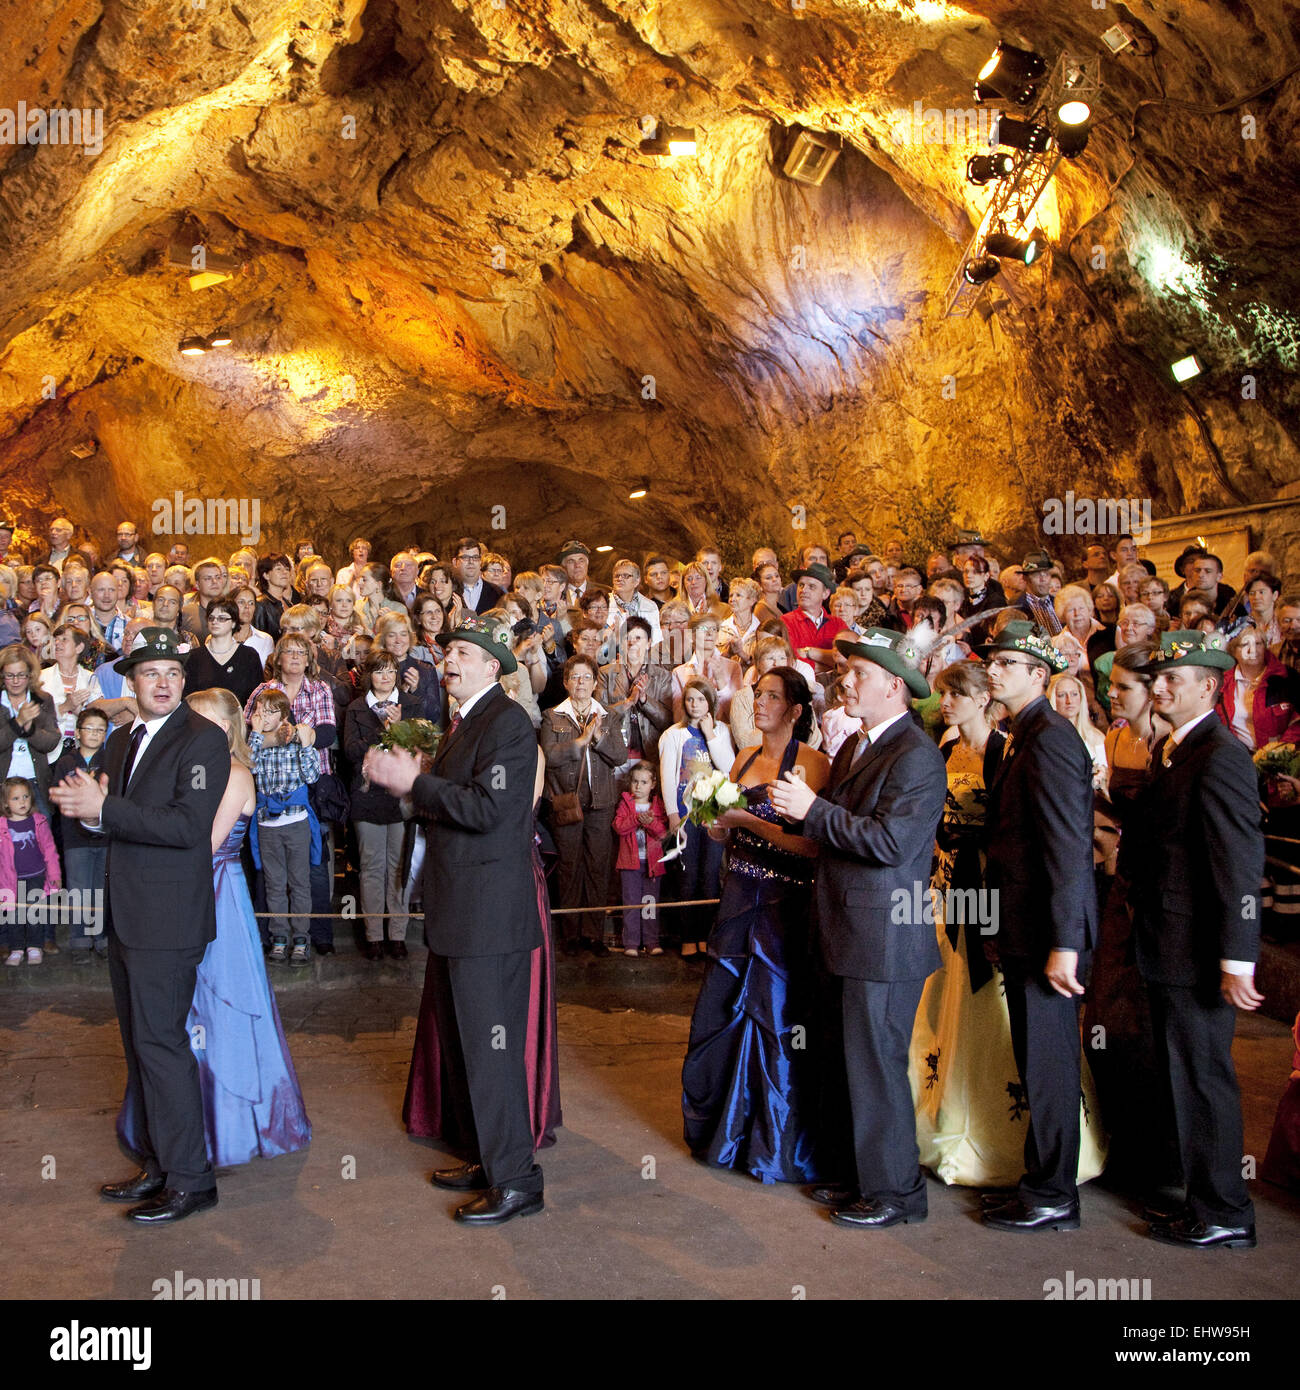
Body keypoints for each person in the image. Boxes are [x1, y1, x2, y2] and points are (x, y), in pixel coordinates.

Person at [366, 614, 548, 1224]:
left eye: (463, 653)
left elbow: (492, 809)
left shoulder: (509, 723)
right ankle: (486, 1157)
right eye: (447, 652)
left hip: (487, 918)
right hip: (460, 912)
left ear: (492, 666)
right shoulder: (466, 722)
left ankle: (517, 1180)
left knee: (491, 1050)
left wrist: (416, 783)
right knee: (470, 1046)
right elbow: (452, 803)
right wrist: (412, 788)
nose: (449, 660)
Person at [50, 626, 230, 1223]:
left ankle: (190, 1179)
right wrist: (96, 814)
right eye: (152, 673)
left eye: (174, 673)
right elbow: (119, 817)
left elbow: (186, 826)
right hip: (127, 913)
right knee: (139, 1045)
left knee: (162, 1044)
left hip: (169, 920)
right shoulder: (124, 738)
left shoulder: (202, 740)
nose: (164, 683)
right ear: (130, 681)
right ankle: (157, 1165)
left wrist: (107, 810)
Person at [769, 629, 947, 1228]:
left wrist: (813, 812)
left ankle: (897, 1194)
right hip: (845, 932)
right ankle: (860, 1177)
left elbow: (893, 842)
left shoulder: (917, 755)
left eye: (859, 673)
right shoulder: (857, 747)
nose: (846, 680)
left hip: (882, 940)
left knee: (875, 1065)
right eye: (846, 672)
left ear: (894, 686)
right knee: (847, 1063)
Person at [1120, 629, 1263, 1248]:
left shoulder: (1219, 753)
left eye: (1173, 679)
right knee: (1182, 1073)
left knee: (1205, 1078)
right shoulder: (1178, 749)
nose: (1160, 686)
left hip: (1197, 949)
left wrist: (1238, 959)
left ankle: (1225, 1211)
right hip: (1168, 942)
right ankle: (1202, 1200)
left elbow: (1236, 862)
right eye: (1159, 677)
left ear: (1210, 687)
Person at [148, 687, 311, 1166]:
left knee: (226, 1000)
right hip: (189, 887)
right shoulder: (193, 770)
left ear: (223, 727)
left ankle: (230, 1123)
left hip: (218, 892)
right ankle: (184, 1117)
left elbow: (202, 845)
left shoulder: (237, 774)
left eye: (196, 721)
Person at [683, 666, 832, 1181]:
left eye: (772, 697)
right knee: (723, 1003)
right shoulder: (744, 756)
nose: (759, 704)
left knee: (772, 1013)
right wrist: (719, 826)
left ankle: (773, 1141)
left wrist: (746, 821)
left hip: (784, 900)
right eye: (756, 695)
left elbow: (813, 845)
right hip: (739, 891)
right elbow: (727, 827)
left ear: (795, 709)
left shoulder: (813, 762)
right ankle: (724, 1132)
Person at [978, 620, 1097, 1233]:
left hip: (1048, 936)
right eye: (992, 661)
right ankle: (1040, 1185)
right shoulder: (1019, 735)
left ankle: (1054, 1194)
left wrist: (1066, 944)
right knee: (1036, 1062)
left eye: (1007, 663)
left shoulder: (1049, 739)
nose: (993, 671)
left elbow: (1069, 849)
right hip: (1022, 928)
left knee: (1049, 1068)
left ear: (1039, 675)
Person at [1083, 642, 1182, 1204]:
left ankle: (1162, 1166)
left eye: (1123, 687)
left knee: (1150, 1029)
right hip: (1118, 887)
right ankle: (1122, 1147)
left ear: (1153, 688)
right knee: (1109, 1018)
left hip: (1153, 896)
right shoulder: (1120, 737)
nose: (1111, 695)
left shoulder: (1172, 745)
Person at [541, 653, 627, 956]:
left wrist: (598, 736)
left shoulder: (608, 716)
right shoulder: (553, 716)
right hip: (566, 803)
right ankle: (571, 935)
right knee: (569, 866)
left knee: (598, 867)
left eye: (586, 677)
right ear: (565, 682)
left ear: (594, 683)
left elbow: (620, 756)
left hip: (601, 803)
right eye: (574, 676)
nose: (580, 682)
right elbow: (549, 757)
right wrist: (579, 743)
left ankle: (594, 935)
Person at [659, 678, 735, 958]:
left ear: (710, 702)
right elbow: (667, 776)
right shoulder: (672, 735)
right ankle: (687, 937)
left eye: (701, 700)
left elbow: (729, 766)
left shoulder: (722, 732)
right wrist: (672, 815)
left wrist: (710, 733)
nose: (695, 705)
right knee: (686, 877)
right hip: (685, 816)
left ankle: (706, 935)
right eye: (690, 699)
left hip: (713, 816)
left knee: (711, 877)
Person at [343, 652, 411, 961]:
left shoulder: (411, 705)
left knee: (397, 869)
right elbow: (351, 751)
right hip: (366, 795)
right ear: (369, 675)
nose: (385, 677)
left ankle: (397, 934)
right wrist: (382, 727)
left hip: (399, 797)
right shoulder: (357, 707)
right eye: (379, 671)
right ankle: (373, 935)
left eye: (391, 671)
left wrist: (400, 728)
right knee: (371, 867)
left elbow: (419, 750)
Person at [248, 688, 321, 967]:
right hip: (267, 822)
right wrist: (256, 733)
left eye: (269, 712)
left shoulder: (295, 739)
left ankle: (301, 938)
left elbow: (312, 776)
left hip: (295, 820)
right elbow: (249, 764)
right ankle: (279, 937)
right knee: (274, 884)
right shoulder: (255, 740)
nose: (262, 717)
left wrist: (305, 744)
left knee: (300, 883)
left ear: (283, 714)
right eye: (259, 711)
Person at [54, 707, 111, 962]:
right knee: (79, 889)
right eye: (89, 728)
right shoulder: (66, 762)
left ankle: (101, 938)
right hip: (74, 837)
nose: (95, 733)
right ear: (78, 732)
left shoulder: (110, 760)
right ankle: (79, 941)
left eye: (101, 729)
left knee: (101, 887)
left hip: (105, 836)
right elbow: (58, 796)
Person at [0, 775, 62, 966]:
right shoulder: (2, 826)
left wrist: (54, 875)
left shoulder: (39, 821)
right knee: (14, 914)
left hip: (36, 876)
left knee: (35, 912)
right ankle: (17, 948)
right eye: (16, 798)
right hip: (10, 880)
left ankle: (34, 947)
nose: (22, 802)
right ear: (6, 803)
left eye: (26, 796)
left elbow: (50, 850)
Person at [613, 760, 668, 956]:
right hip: (630, 863)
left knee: (650, 903)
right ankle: (631, 943)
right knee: (631, 903)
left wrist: (651, 823)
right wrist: (636, 819)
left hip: (653, 864)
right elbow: (619, 827)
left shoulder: (658, 805)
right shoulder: (625, 804)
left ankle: (651, 942)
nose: (638, 786)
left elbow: (663, 834)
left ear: (653, 784)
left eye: (644, 782)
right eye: (635, 781)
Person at [1, 644, 62, 817]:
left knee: (41, 838)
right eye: (9, 675)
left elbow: (51, 741)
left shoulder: (42, 699)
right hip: (2, 783)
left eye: (21, 675)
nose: (15, 681)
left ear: (30, 675)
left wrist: (29, 729)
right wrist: (18, 722)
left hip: (35, 783)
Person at [181, 598, 264, 708]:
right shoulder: (194, 657)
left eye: (222, 618)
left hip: (239, 721)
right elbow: (187, 698)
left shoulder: (249, 656)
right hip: (201, 721)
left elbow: (256, 697)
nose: (215, 621)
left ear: (234, 623)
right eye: (211, 618)